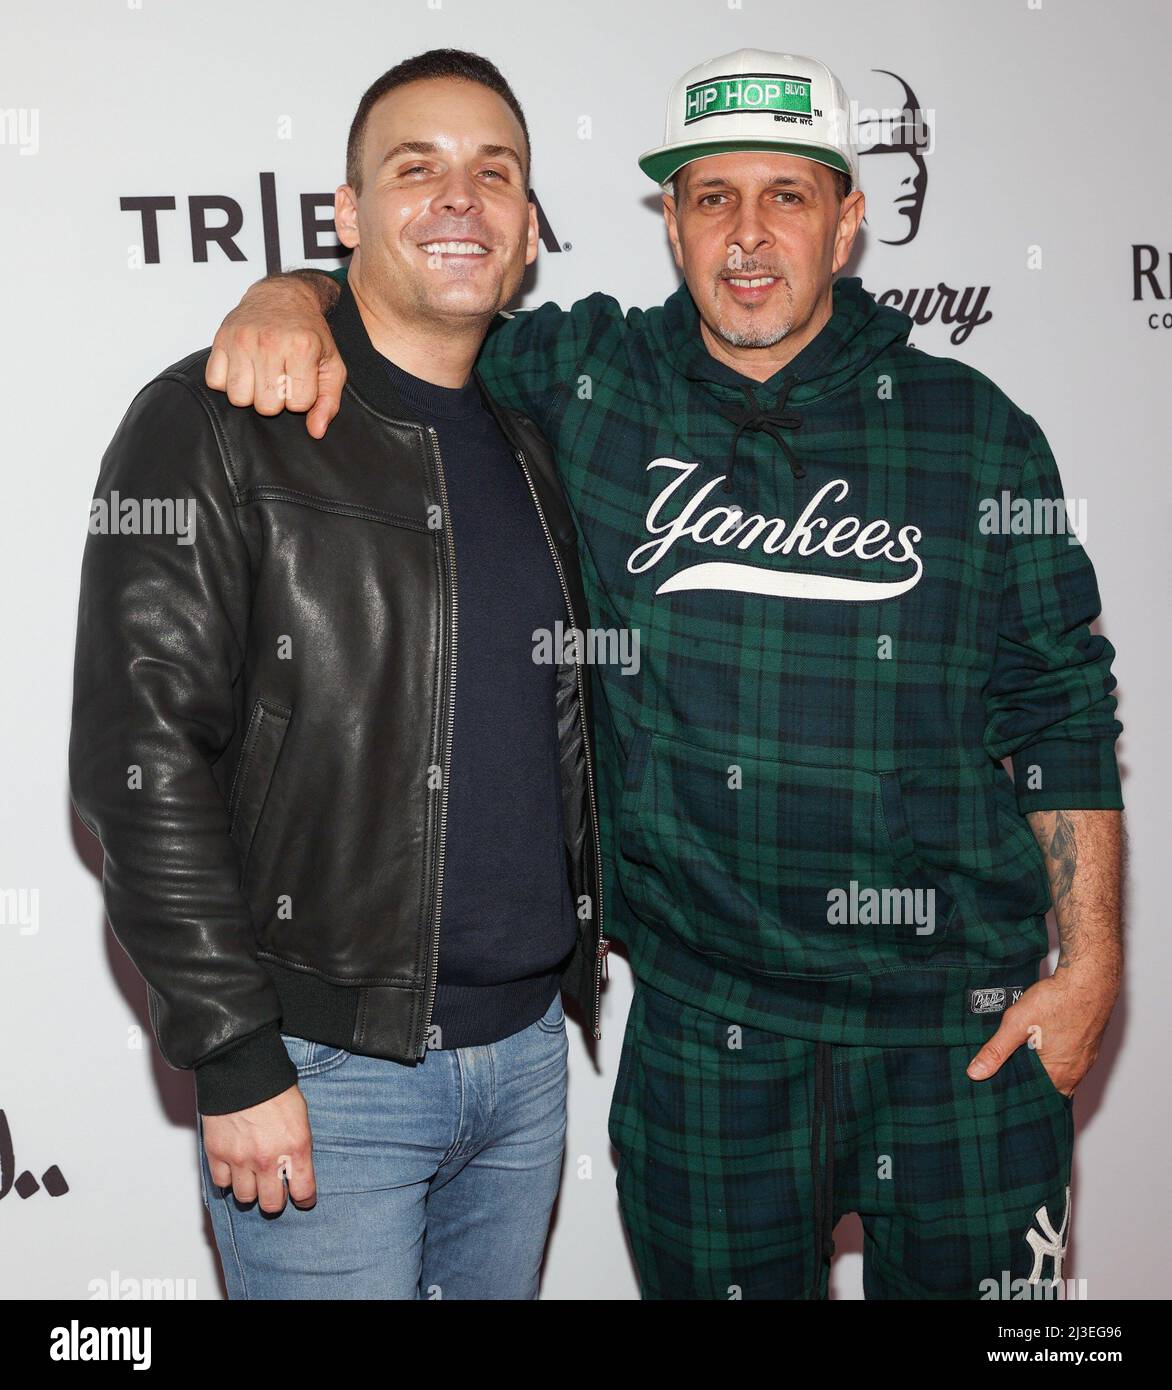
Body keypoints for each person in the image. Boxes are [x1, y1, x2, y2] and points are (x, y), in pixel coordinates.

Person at [206, 45, 1124, 1300]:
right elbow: (413, 302)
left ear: (848, 220)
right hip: (708, 1035)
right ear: (670, 221)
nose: (746, 238)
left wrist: (1089, 965)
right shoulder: (582, 382)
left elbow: (1060, 706)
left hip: (956, 1031)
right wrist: (287, 296)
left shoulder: (975, 430)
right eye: (710, 198)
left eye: (787, 196)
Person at [69, 49, 606, 1300]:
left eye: (495, 172)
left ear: (529, 228)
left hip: (525, 1066)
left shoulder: (536, 443)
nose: (459, 198)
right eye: (415, 169)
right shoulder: (211, 422)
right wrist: (234, 1052)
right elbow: (137, 764)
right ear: (346, 213)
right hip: (322, 1073)